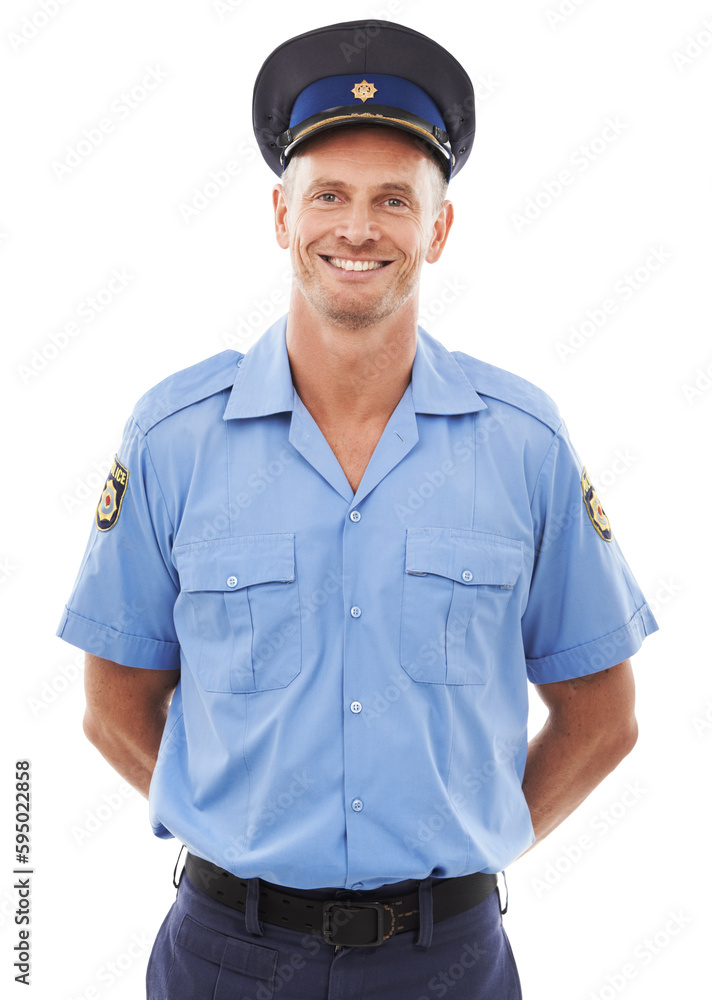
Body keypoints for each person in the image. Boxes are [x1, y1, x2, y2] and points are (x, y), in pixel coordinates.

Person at [56, 19, 658, 999]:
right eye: (328, 195)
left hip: (447, 962)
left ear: (439, 230)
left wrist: (473, 846)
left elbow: (602, 718)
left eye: (394, 200)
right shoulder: (173, 436)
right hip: (226, 957)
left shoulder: (523, 441)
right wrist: (237, 829)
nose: (357, 229)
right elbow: (112, 705)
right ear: (281, 215)